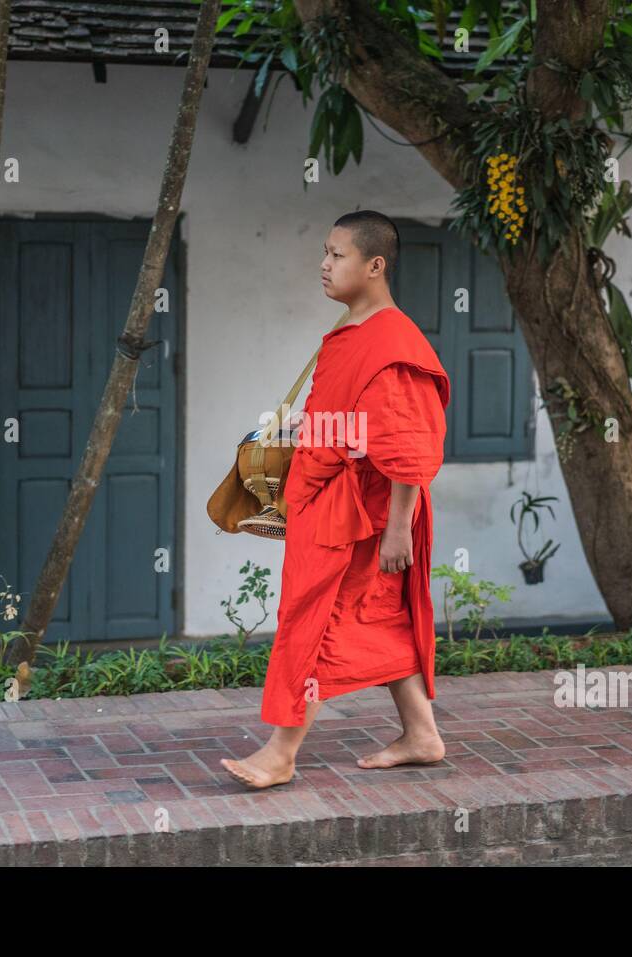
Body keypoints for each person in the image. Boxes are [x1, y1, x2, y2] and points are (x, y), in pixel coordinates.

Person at [221, 210, 451, 789]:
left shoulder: (394, 342)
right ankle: (422, 734)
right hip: (332, 505)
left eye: (337, 255)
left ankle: (280, 754)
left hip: (364, 518)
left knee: (320, 624)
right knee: (379, 617)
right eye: (323, 253)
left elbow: (407, 444)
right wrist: (309, 430)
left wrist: (399, 528)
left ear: (374, 265)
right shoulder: (353, 333)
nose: (324, 265)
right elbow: (356, 426)